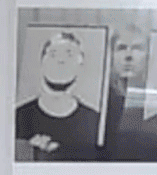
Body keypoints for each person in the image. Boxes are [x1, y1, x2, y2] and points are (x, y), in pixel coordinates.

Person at [12, 30, 103, 162]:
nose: (61, 61)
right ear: (41, 63)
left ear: (80, 66)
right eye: (53, 54)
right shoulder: (18, 117)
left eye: (69, 55)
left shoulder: (95, 122)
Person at [97, 24, 149, 160]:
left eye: (137, 49)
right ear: (111, 55)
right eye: (121, 48)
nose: (129, 56)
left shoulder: (153, 100)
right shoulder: (99, 98)